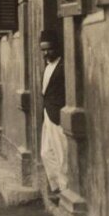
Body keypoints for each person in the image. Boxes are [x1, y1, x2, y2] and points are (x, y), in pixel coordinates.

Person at [40, 28, 68, 203]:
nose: (45, 52)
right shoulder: (48, 66)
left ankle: (65, 190)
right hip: (47, 113)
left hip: (57, 115)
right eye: (43, 49)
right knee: (45, 152)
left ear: (56, 47)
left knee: (62, 154)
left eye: (49, 48)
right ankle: (56, 187)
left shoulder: (63, 66)